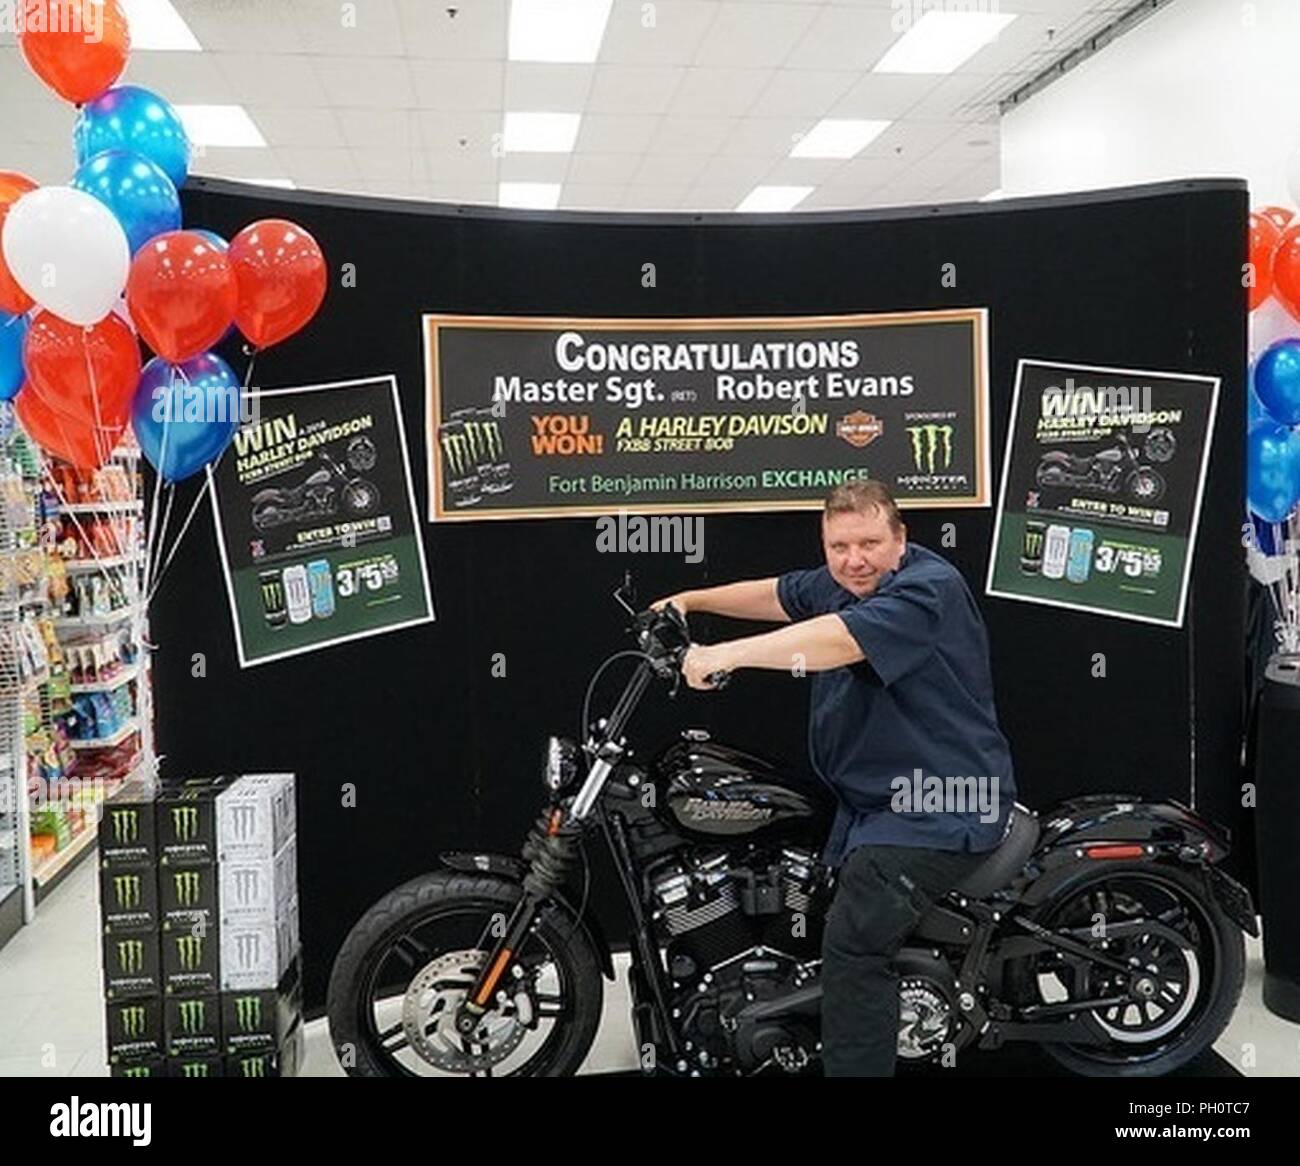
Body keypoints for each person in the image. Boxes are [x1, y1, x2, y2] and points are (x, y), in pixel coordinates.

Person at [654, 480, 1016, 1076]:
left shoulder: (926, 589)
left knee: (854, 948)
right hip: (874, 800)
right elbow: (778, 594)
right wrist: (690, 600)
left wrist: (724, 656)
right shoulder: (845, 580)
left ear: (901, 538)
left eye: (870, 542)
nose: (854, 558)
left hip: (938, 805)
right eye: (839, 545)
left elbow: (836, 641)